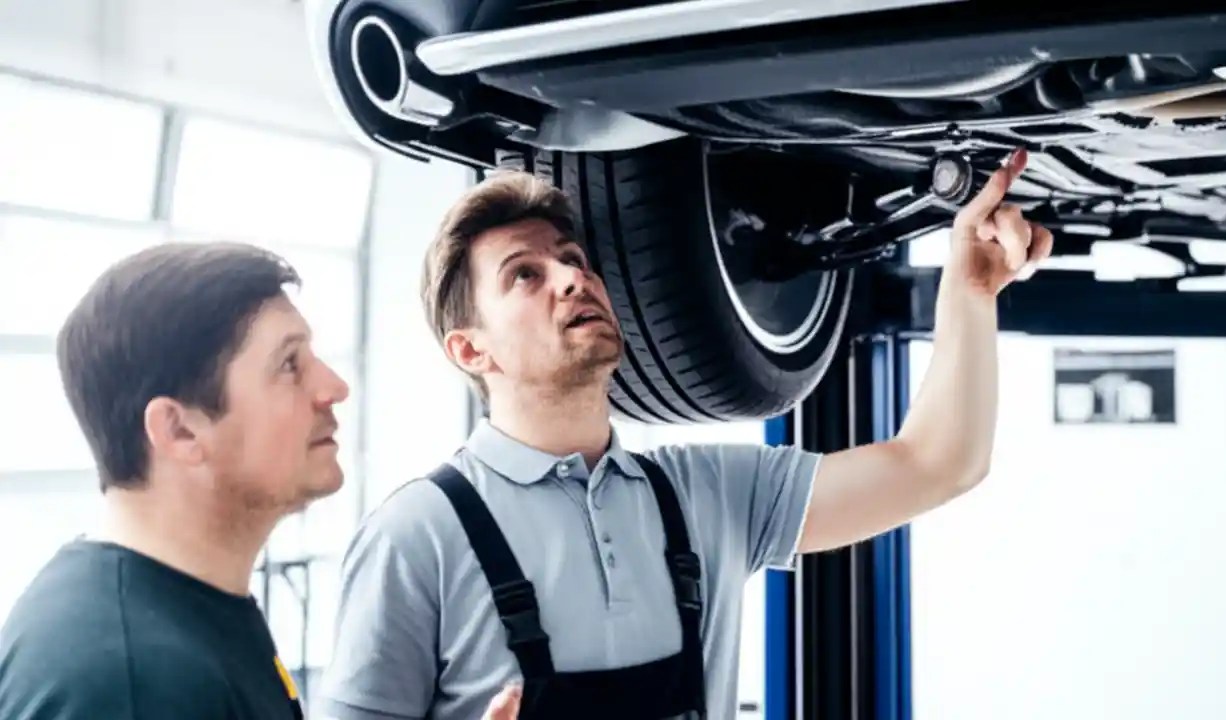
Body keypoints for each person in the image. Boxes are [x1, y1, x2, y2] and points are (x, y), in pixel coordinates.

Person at [317, 149, 1051, 720]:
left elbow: (936, 462)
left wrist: (971, 290)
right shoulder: (415, 537)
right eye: (525, 276)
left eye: (572, 261)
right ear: (472, 351)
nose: (573, 280)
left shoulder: (707, 495)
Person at [0, 242, 522, 720]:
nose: (334, 387)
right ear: (179, 429)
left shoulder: (184, 609)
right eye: (290, 365)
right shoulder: (134, 685)